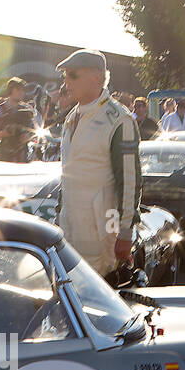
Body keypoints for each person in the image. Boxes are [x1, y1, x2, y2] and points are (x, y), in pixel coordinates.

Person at [56, 49, 141, 276]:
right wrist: (59, 214)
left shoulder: (118, 119)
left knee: (100, 295)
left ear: (96, 77)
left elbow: (130, 181)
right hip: (70, 229)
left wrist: (124, 233)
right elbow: (68, 175)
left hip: (101, 231)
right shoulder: (71, 117)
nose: (66, 82)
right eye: (64, 75)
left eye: (72, 75)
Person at [0, 77, 37, 161]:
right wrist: (6, 132)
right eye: (18, 90)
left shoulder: (28, 109)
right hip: (4, 157)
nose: (21, 93)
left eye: (22, 90)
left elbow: (35, 132)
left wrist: (28, 136)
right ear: (10, 90)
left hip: (23, 157)